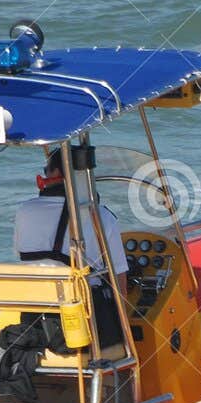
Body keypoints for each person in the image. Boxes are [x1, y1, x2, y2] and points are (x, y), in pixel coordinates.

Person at [12, 145, 128, 347]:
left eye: (46, 169)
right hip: (87, 328)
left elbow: (20, 254)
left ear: (55, 173)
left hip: (34, 326)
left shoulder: (24, 211)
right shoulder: (101, 216)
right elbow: (120, 284)